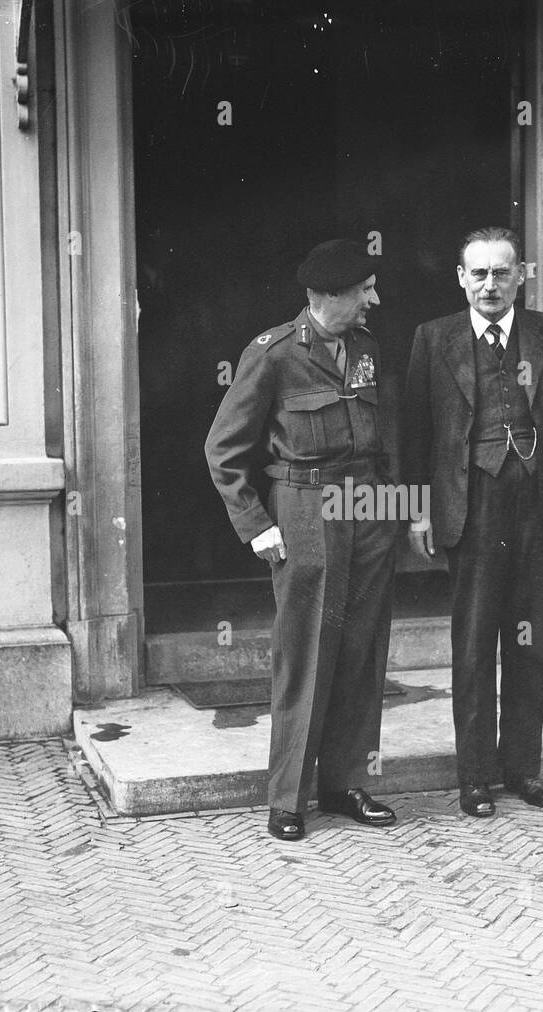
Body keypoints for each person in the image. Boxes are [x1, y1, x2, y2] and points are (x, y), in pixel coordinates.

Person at [205, 239, 402, 841]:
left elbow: (384, 435)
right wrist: (256, 524)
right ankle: (288, 797)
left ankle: (346, 783)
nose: (374, 299)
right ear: (327, 297)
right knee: (307, 649)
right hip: (305, 505)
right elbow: (223, 449)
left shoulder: (366, 348)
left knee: (362, 649)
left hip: (368, 504)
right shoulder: (273, 355)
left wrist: (399, 511)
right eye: (363, 290)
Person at [403, 226, 543, 818]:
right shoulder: (435, 339)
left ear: (520, 276)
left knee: (530, 645)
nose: (490, 284)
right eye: (478, 273)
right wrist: (416, 511)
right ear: (461, 278)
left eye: (501, 272)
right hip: (472, 507)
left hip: (539, 507)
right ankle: (475, 777)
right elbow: (414, 434)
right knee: (475, 643)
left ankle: (523, 770)